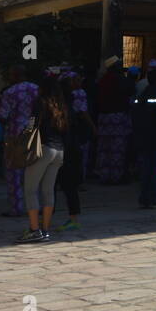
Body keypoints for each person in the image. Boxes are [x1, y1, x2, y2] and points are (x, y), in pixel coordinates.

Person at [19, 76, 68, 243]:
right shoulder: (61, 105)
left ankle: (34, 229)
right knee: (48, 191)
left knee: (30, 189)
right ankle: (45, 229)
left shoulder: (40, 102)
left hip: (43, 149)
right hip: (59, 150)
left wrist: (22, 138)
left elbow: (31, 124)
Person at [0, 65, 39, 216]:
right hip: (34, 133)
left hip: (15, 135)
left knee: (14, 173)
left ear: (14, 75)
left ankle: (17, 208)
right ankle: (35, 206)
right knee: (34, 171)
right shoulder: (36, 89)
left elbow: (2, 115)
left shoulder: (10, 92)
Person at [58, 72, 94, 231]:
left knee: (48, 185)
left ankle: (41, 219)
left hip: (56, 147)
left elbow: (34, 121)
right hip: (71, 146)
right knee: (69, 184)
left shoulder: (51, 104)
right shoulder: (73, 105)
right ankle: (73, 217)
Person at [93, 55, 133, 184]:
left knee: (104, 149)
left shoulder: (102, 80)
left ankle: (104, 175)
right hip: (117, 117)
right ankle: (116, 176)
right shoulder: (119, 79)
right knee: (117, 149)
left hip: (104, 118)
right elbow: (130, 90)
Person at [133, 67, 156, 208]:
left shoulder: (142, 94)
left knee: (146, 167)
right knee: (155, 168)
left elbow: (136, 113)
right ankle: (155, 197)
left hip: (144, 135)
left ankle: (145, 198)